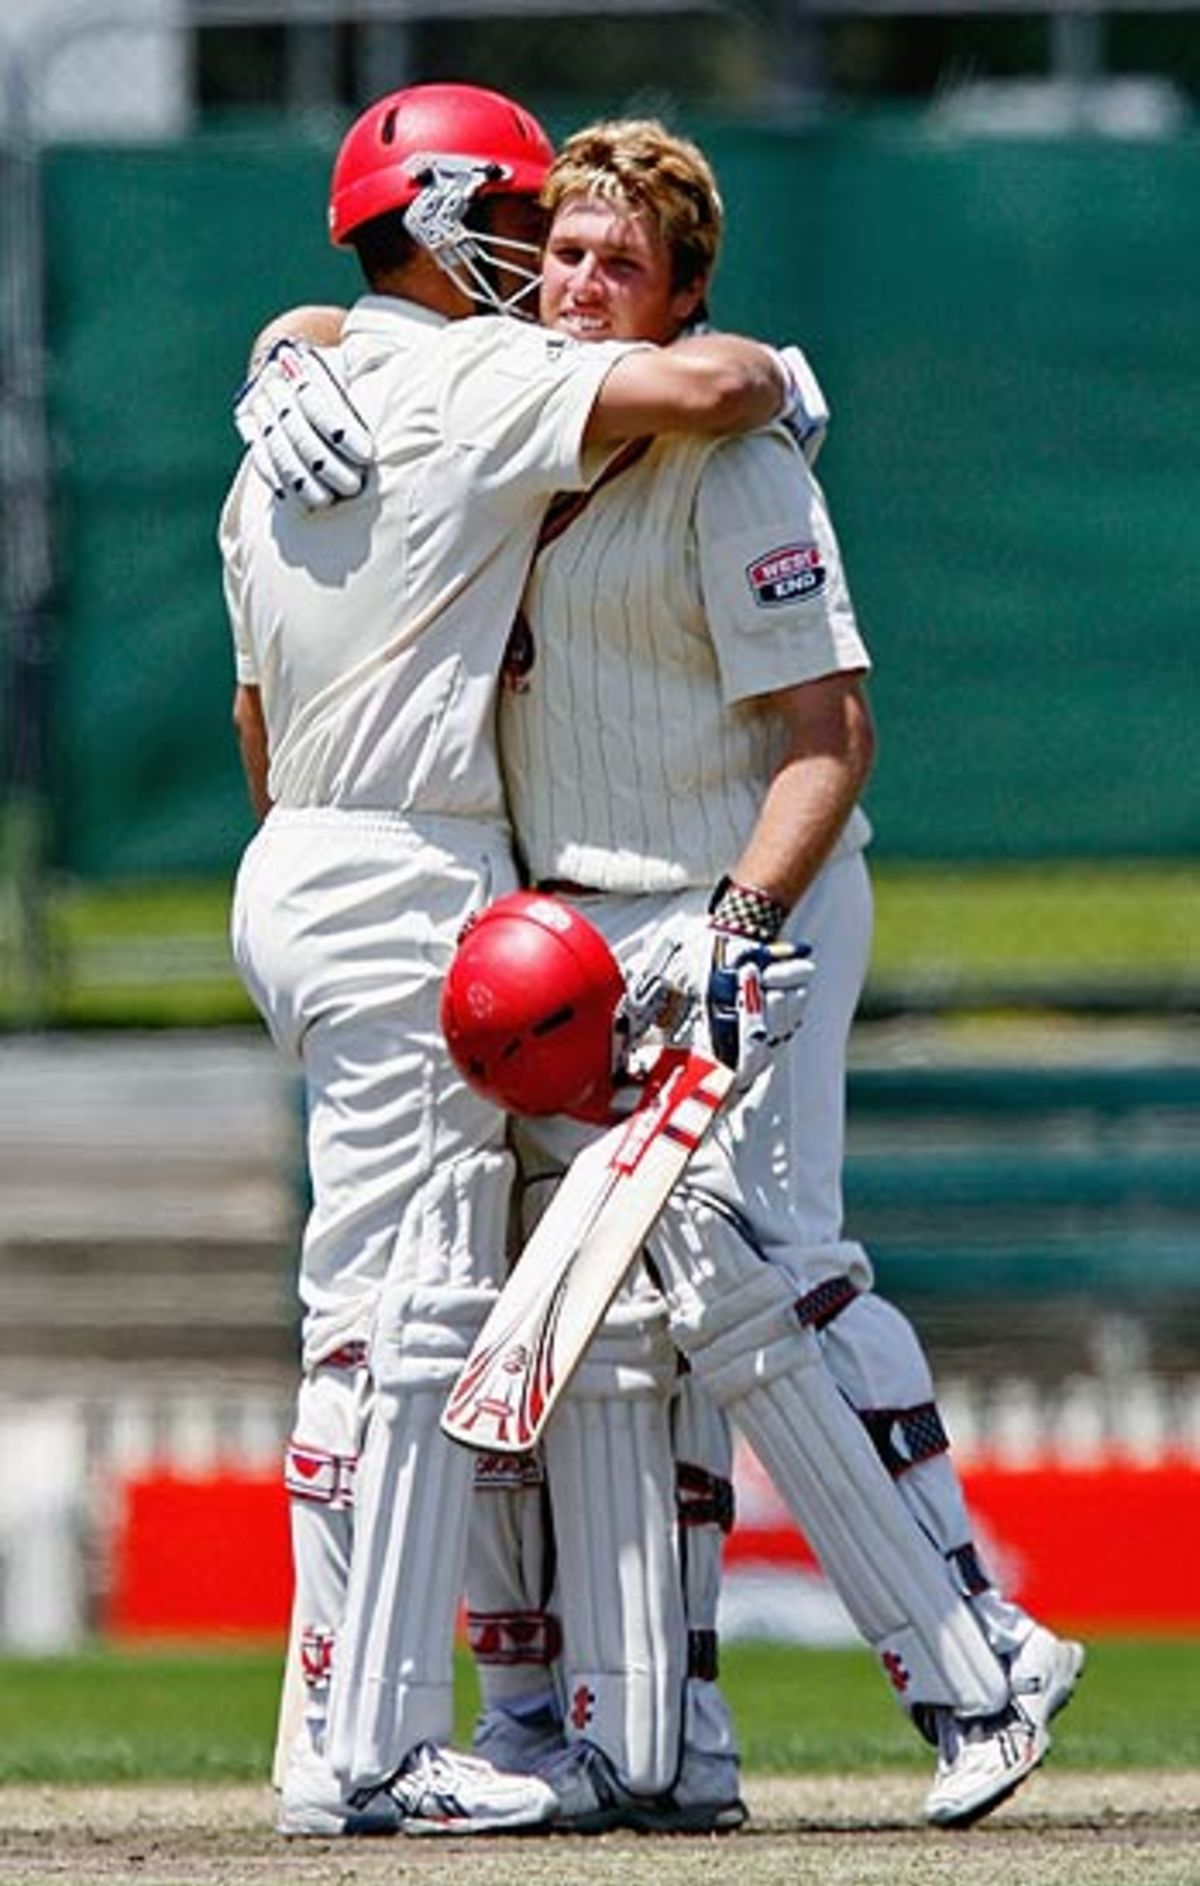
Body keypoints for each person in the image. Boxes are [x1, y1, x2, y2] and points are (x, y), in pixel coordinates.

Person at [246, 115, 1085, 1835]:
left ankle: (978, 1646)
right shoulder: (518, 421)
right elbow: (387, 340)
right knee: (601, 1324)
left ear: (685, 295)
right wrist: (291, 340)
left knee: (768, 1278)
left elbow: (830, 736)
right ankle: (642, 1732)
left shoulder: (733, 449)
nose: (569, 281)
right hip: (564, 932)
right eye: (556, 249)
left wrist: (741, 921)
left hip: (739, 899)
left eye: (613, 262)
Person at [219, 81, 813, 1839]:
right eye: (519, 213)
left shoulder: (275, 445)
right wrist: (780, 371)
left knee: (379, 1311)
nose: (534, 250)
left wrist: (293, 329)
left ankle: (338, 1728)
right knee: (402, 1324)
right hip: (410, 870)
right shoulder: (475, 379)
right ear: (455, 212)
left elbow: (253, 723)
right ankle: (366, 1757)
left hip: (296, 855)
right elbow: (703, 384)